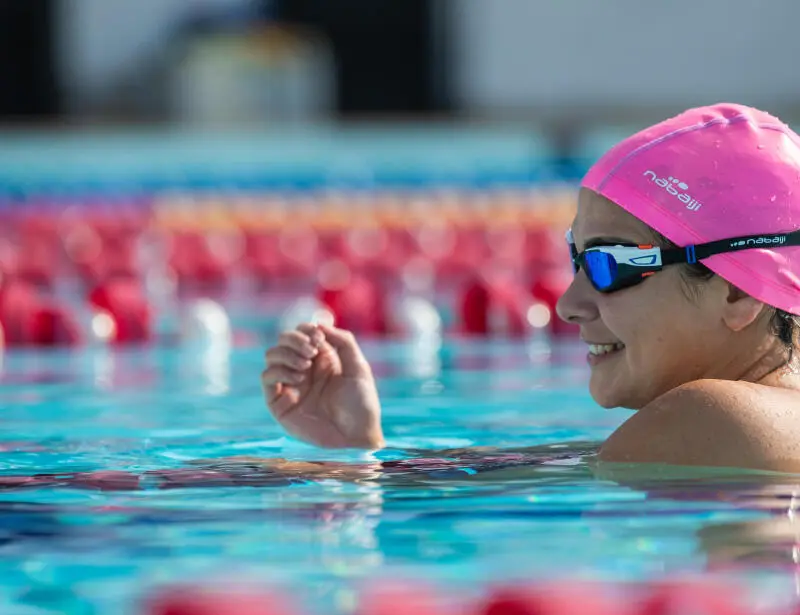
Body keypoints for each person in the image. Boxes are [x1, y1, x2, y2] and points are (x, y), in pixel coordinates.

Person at [262, 103, 800, 474]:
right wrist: (363, 450)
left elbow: (511, 493)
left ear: (737, 292)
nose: (568, 304)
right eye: (576, 259)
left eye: (611, 263)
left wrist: (353, 471)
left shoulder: (713, 417)